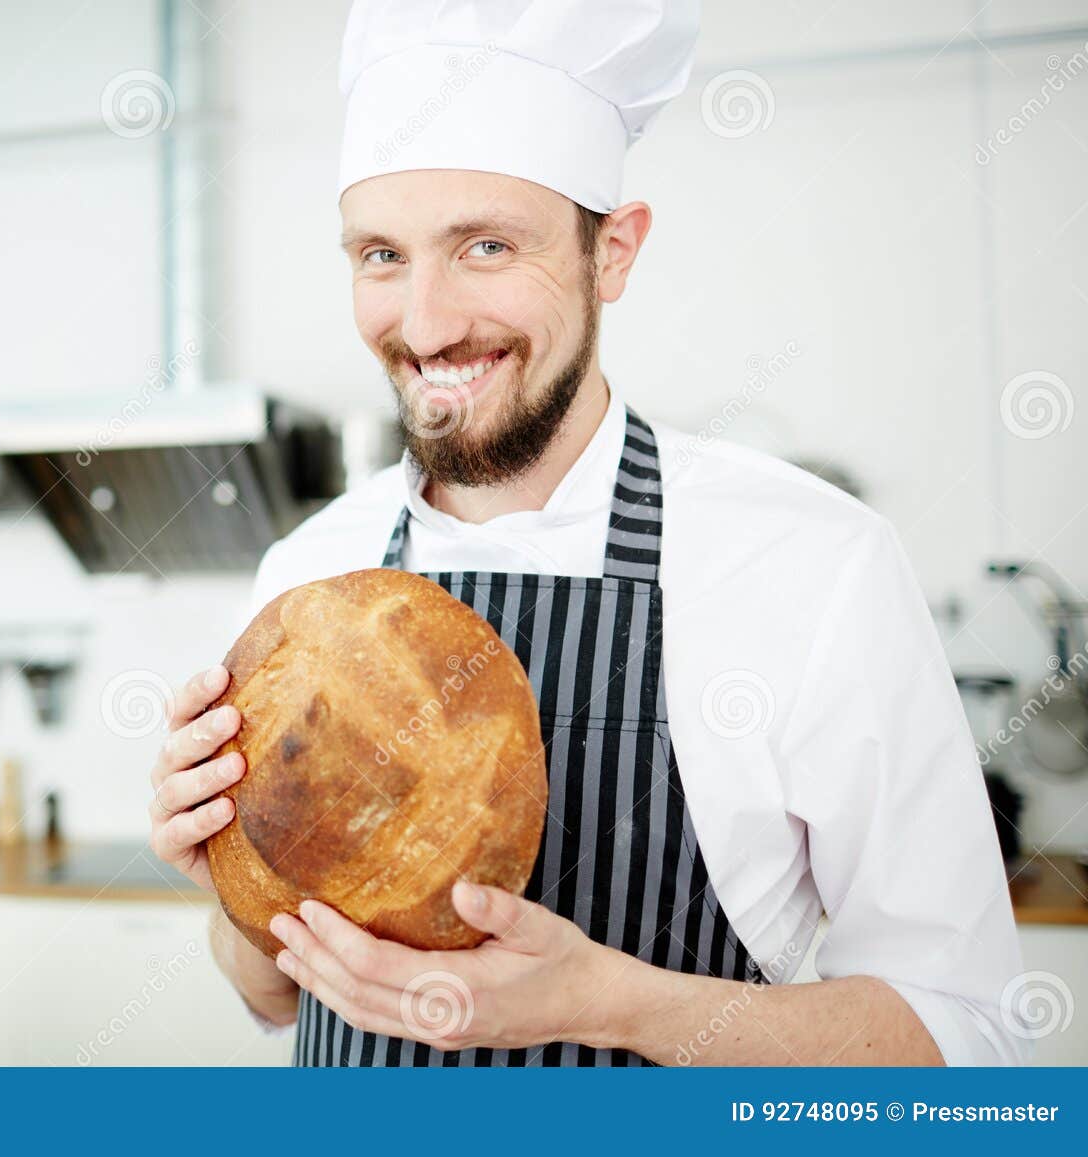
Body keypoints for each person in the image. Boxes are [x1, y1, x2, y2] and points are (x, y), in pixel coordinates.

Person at [148, 0, 1028, 1067]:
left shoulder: (810, 565)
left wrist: (609, 1003)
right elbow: (276, 995)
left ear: (612, 251)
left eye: (485, 245)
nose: (424, 323)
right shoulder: (309, 575)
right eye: (380, 254)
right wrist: (232, 879)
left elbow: (967, 1038)